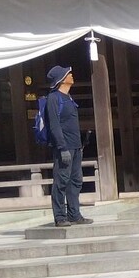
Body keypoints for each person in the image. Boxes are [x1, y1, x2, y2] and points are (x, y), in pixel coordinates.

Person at [44, 65, 92, 227]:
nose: (71, 75)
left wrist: (80, 145)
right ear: (62, 79)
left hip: (75, 146)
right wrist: (62, 147)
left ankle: (74, 214)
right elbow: (54, 125)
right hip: (64, 147)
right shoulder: (53, 98)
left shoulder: (68, 97)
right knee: (61, 180)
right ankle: (60, 216)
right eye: (68, 74)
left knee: (76, 180)